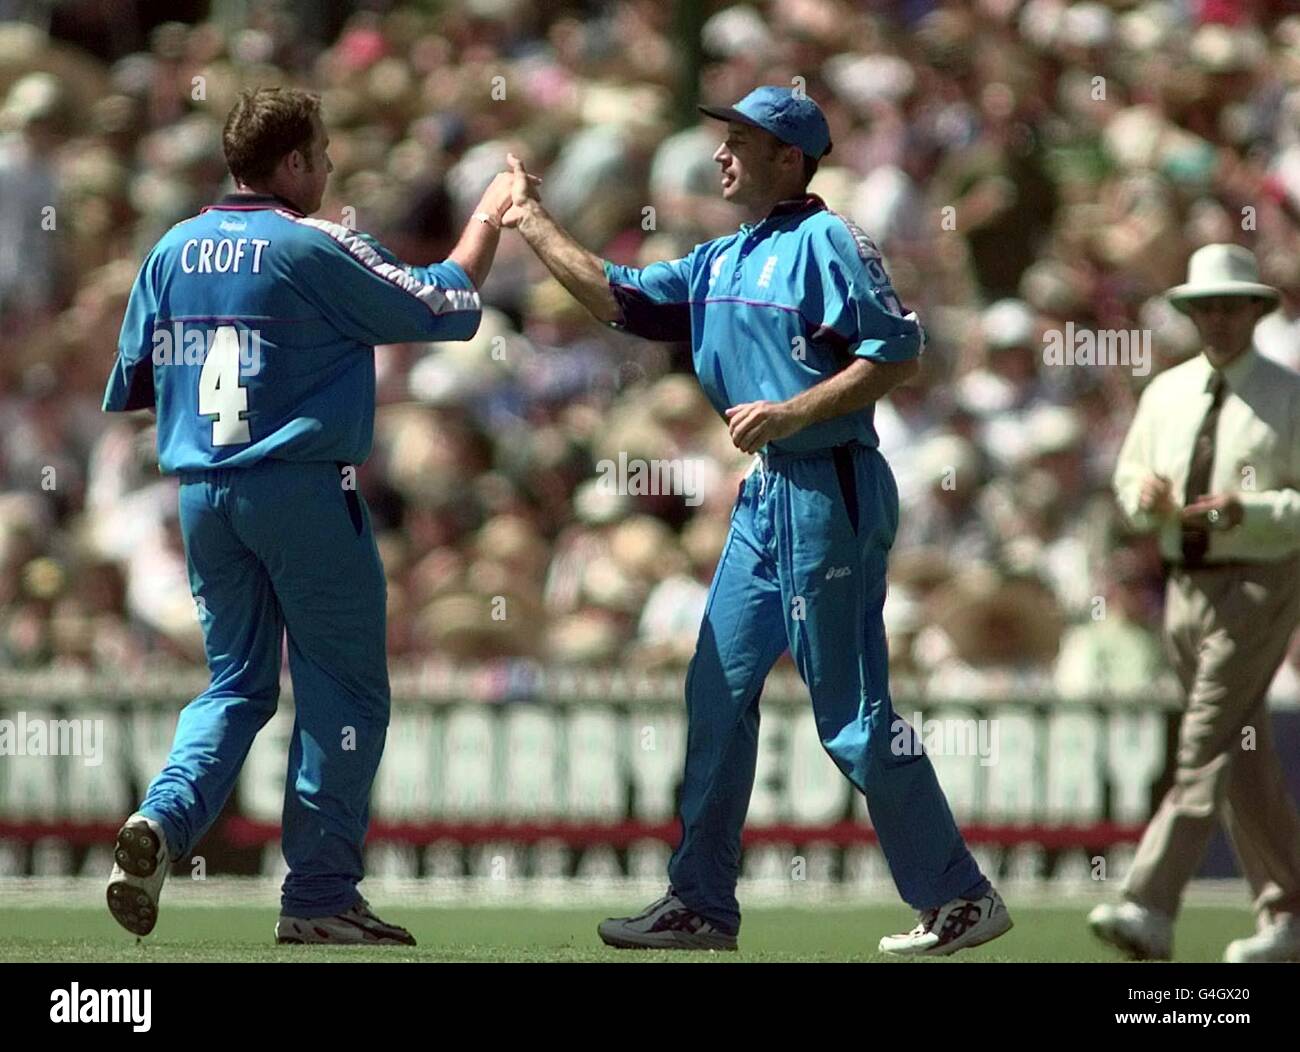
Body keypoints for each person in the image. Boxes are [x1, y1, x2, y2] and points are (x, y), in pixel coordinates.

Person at [502, 86, 1011, 955]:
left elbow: (896, 350)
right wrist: (529, 219)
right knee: (716, 693)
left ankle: (960, 896)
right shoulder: (723, 257)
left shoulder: (827, 240)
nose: (720, 154)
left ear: (791, 157)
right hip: (771, 492)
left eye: (741, 140)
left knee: (850, 714)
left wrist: (794, 412)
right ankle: (699, 903)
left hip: (829, 484)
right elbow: (615, 298)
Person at [103, 86, 518, 945]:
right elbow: (442, 303)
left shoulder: (169, 249)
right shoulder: (314, 244)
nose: (330, 167)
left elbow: (135, 384)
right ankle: (321, 897)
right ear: (291, 162)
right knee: (344, 692)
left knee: (234, 686)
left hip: (201, 497)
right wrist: (489, 216)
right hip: (300, 489)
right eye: (322, 152)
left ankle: (164, 820)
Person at [1098, 243, 1300, 963]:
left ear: (1255, 310)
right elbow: (1130, 481)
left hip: (1257, 583)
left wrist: (1253, 511)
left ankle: (1149, 903)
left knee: (1205, 744)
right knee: (1243, 759)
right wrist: (1143, 499)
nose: (1216, 318)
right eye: (1204, 307)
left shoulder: (1287, 394)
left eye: (1229, 305)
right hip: (1184, 585)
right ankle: (1289, 912)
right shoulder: (1169, 392)